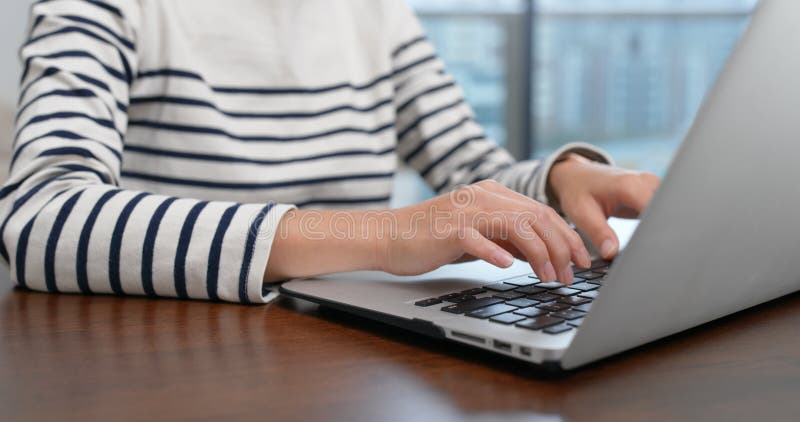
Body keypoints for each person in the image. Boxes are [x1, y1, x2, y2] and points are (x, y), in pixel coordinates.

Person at [0, 0, 659, 304]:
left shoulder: (374, 14)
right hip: (173, 358)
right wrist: (382, 233)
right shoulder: (99, 7)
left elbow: (466, 169)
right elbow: (38, 220)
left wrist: (561, 180)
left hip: (351, 357)